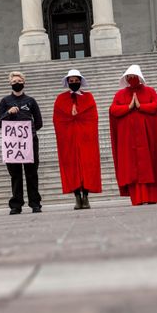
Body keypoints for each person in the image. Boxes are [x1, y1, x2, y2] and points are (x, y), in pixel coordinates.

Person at [109, 65, 157, 206]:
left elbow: (156, 106)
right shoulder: (120, 95)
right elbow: (113, 110)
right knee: (133, 169)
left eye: (134, 76)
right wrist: (128, 107)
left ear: (139, 77)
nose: (132, 79)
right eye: (129, 77)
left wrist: (140, 106)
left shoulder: (150, 91)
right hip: (129, 139)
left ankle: (152, 196)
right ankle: (138, 197)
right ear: (126, 78)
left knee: (151, 165)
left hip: (148, 138)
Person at [53, 69, 102, 210]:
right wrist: (70, 116)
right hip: (68, 138)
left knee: (87, 164)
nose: (74, 83)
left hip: (85, 137)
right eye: (71, 81)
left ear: (81, 81)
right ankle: (77, 197)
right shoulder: (61, 99)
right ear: (67, 82)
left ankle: (85, 196)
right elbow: (58, 119)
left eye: (76, 80)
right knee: (72, 165)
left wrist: (78, 116)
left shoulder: (88, 97)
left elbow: (93, 117)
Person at [0, 71, 43, 215]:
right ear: (10, 83)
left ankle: (35, 203)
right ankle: (16, 205)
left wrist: (29, 131)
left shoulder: (31, 101)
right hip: (12, 144)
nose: (17, 83)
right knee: (15, 175)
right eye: (14, 81)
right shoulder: (5, 101)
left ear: (24, 82)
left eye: (19, 81)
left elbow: (39, 122)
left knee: (31, 173)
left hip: (29, 143)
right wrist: (8, 113)